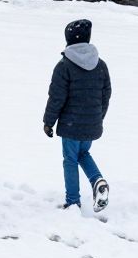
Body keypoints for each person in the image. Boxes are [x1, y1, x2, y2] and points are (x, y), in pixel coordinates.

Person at [42, 19, 111, 212]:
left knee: (70, 159)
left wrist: (48, 122)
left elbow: (56, 97)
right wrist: (98, 116)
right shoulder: (101, 65)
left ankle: (73, 201)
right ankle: (98, 181)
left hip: (71, 125)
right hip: (92, 122)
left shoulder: (64, 66)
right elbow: (106, 94)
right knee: (83, 153)